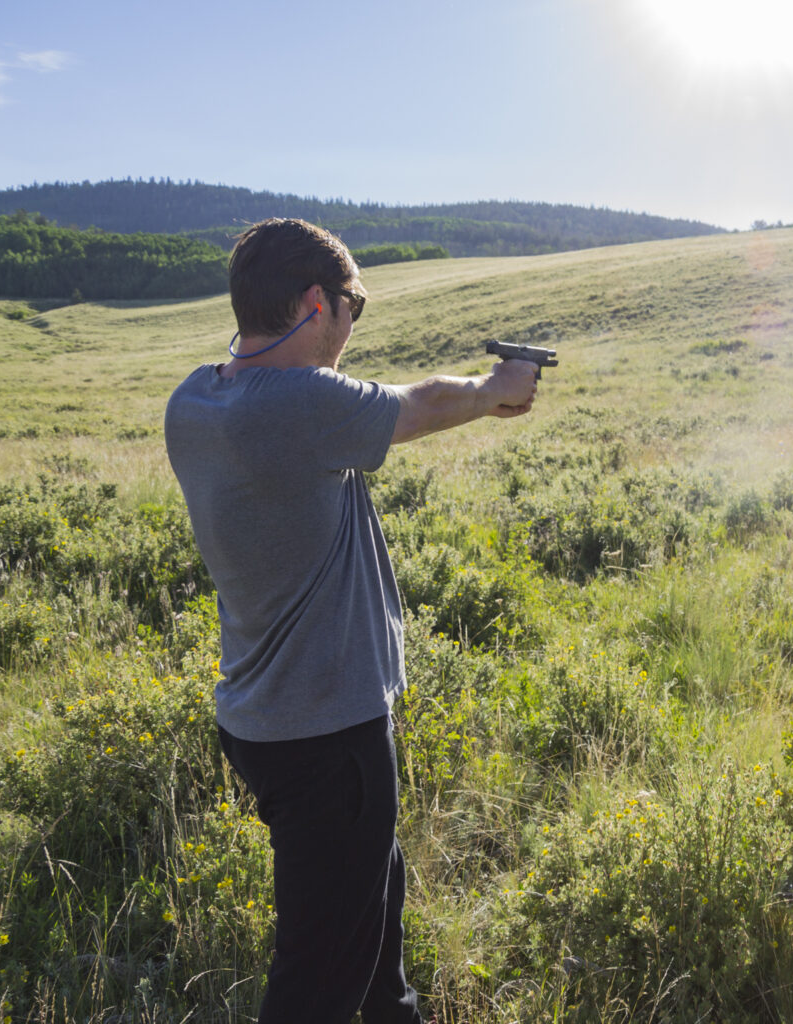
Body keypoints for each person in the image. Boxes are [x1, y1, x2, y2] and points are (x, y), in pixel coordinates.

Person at [164, 217, 538, 1023]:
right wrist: (494, 390)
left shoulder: (194, 401)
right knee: (316, 981)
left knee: (368, 922)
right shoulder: (298, 405)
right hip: (329, 734)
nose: (351, 326)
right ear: (312, 303)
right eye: (352, 306)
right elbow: (426, 402)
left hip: (264, 718)